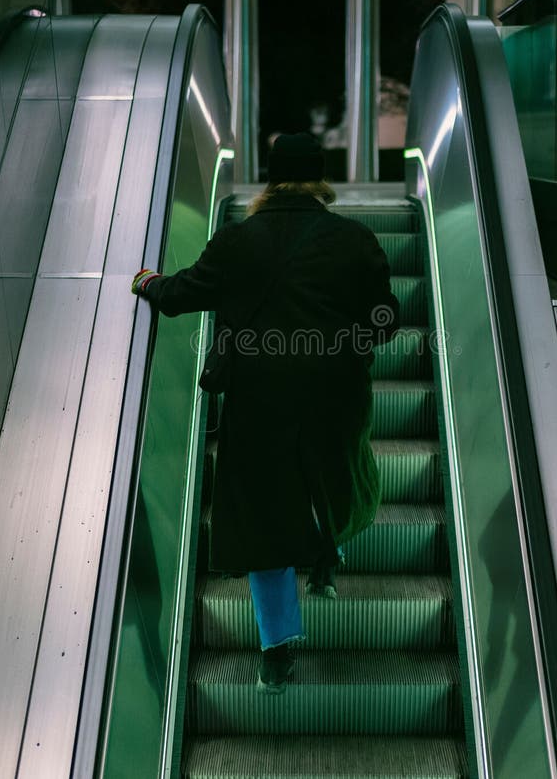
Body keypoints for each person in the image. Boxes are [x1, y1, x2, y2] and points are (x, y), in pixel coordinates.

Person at [131, 131, 399, 694]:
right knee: (338, 473)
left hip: (259, 400)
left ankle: (277, 650)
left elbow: (180, 295)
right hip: (335, 392)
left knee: (264, 516)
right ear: (320, 179)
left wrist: (148, 282)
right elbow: (385, 320)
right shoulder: (355, 240)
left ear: (271, 179)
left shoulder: (237, 240)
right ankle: (325, 555)